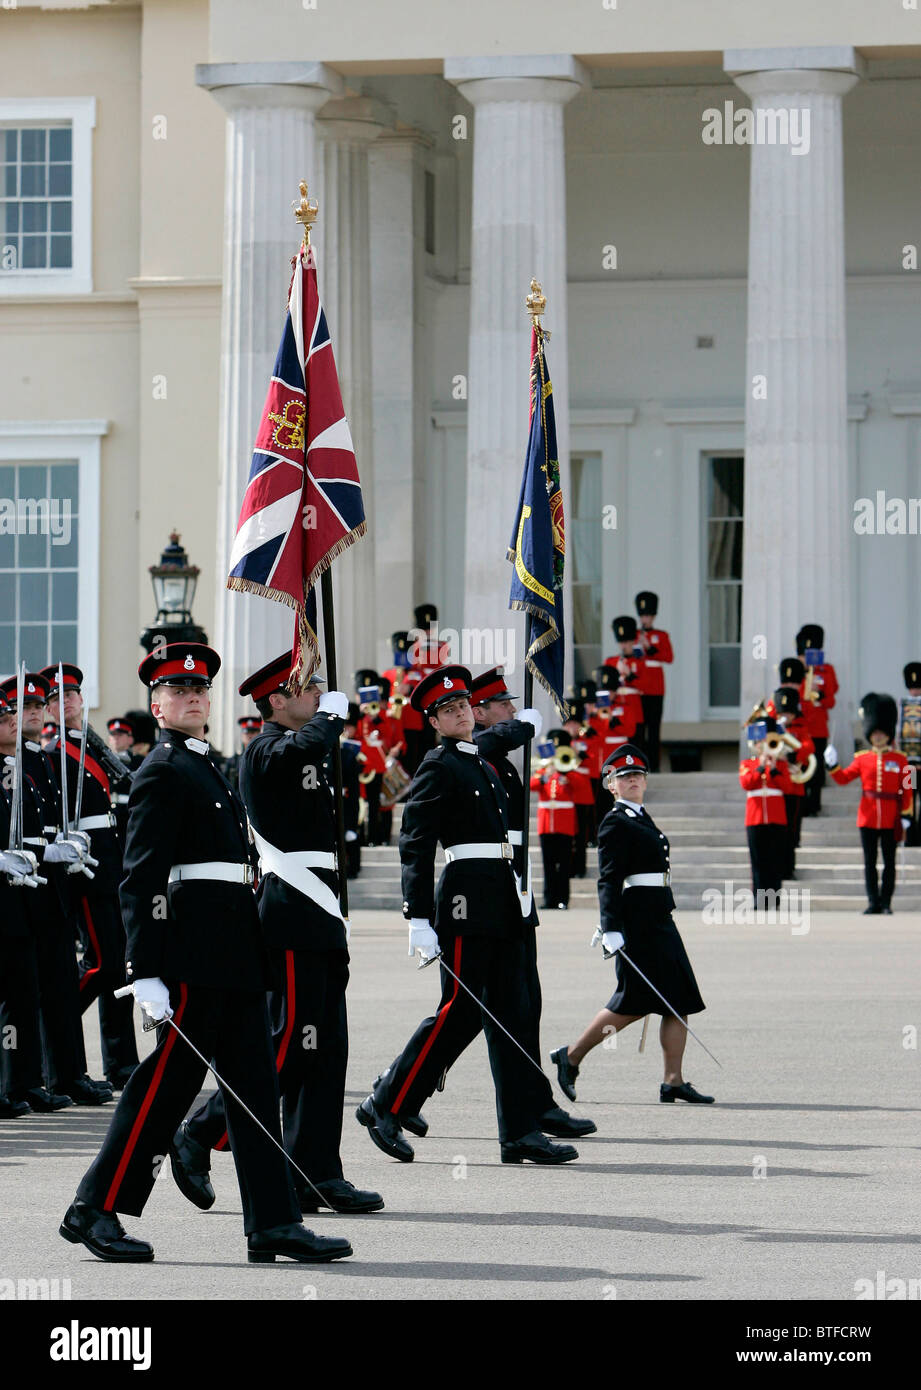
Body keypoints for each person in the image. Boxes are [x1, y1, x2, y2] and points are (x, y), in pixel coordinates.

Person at [59, 642, 351, 1264]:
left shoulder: (204, 763)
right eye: (177, 691)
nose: (192, 697)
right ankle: (95, 1207)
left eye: (200, 690)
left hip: (237, 954)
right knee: (161, 1090)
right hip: (192, 956)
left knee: (254, 1092)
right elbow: (140, 877)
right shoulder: (163, 768)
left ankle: (273, 1222)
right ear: (157, 706)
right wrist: (144, 970)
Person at [173, 652, 382, 1218]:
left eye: (317, 686)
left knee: (327, 1052)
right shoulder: (266, 750)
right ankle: (200, 1129)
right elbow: (298, 751)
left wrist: (326, 724)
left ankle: (315, 1170)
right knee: (290, 1045)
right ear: (275, 702)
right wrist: (329, 721)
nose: (317, 693)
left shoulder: (309, 744)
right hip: (288, 912)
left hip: (321, 911)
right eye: (306, 688)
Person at [357, 665, 580, 1166]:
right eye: (448, 710)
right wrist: (416, 915)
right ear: (434, 721)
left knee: (511, 1012)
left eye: (462, 706)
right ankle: (387, 1102)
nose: (459, 715)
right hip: (464, 899)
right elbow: (414, 844)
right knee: (459, 1010)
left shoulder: (479, 760)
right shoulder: (438, 765)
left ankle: (520, 1132)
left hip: (500, 896)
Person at [550, 743, 713, 1106]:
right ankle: (571, 1055)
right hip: (637, 922)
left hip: (658, 918)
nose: (633, 780)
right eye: (624, 777)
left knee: (678, 999)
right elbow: (608, 879)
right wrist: (610, 927)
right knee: (631, 1002)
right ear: (611, 784)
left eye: (638, 774)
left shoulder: (640, 817)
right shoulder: (615, 821)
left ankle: (673, 1080)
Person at [0, 672, 109, 1107]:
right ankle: (23, 1079)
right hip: (23, 887)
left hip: (50, 885)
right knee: (23, 991)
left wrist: (67, 844)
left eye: (33, 708)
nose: (26, 716)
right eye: (17, 710)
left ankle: (62, 1074)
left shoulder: (42, 760)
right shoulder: (18, 764)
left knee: (59, 985)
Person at [42, 663, 139, 1090]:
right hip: (83, 866)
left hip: (111, 861)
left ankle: (121, 1064)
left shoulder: (96, 749)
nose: (66, 702)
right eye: (56, 699)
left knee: (117, 968)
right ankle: (51, 1030)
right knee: (100, 964)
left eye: (72, 695)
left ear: (82, 700)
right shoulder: (52, 755)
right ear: (48, 710)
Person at [826, 693, 912, 915]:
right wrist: (832, 764)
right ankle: (873, 901)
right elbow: (843, 778)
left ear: (888, 735)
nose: (878, 737)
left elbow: (907, 789)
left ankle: (886, 903)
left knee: (889, 863)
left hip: (891, 816)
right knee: (870, 862)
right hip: (868, 816)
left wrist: (906, 815)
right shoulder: (862, 759)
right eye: (874, 734)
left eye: (882, 733)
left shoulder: (902, 760)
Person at [739, 717, 798, 894]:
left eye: (767, 742)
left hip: (776, 817)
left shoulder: (781, 765)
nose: (763, 746)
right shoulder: (748, 764)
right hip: (755, 819)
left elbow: (787, 787)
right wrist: (760, 768)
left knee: (775, 860)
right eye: (760, 743)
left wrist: (773, 769)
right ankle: (759, 897)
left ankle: (774, 898)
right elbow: (746, 783)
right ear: (755, 745)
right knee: (758, 861)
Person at [530, 732, 577, 910]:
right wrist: (545, 776)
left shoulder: (569, 769)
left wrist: (566, 776)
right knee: (548, 866)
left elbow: (581, 787)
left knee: (564, 866)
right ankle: (549, 899)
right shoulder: (544, 770)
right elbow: (532, 785)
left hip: (564, 825)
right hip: (546, 825)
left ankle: (563, 900)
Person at [795, 624, 838, 817]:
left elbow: (831, 698)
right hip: (801, 726)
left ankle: (815, 803)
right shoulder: (795, 669)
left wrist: (819, 694)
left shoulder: (826, 670)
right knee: (801, 764)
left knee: (818, 767)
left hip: (819, 727)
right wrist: (803, 673)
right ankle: (801, 802)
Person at [633, 592, 673, 773]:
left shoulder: (661, 635)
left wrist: (649, 647)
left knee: (654, 730)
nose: (645, 619)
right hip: (639, 689)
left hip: (656, 690)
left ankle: (654, 767)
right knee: (639, 731)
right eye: (643, 616)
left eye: (648, 616)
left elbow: (668, 657)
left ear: (653, 616)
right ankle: (639, 765)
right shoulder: (634, 635)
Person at [220, 714, 263, 790]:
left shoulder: (264, 757)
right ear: (242, 735)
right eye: (247, 732)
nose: (250, 735)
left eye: (253, 732)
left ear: (259, 733)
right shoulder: (232, 762)